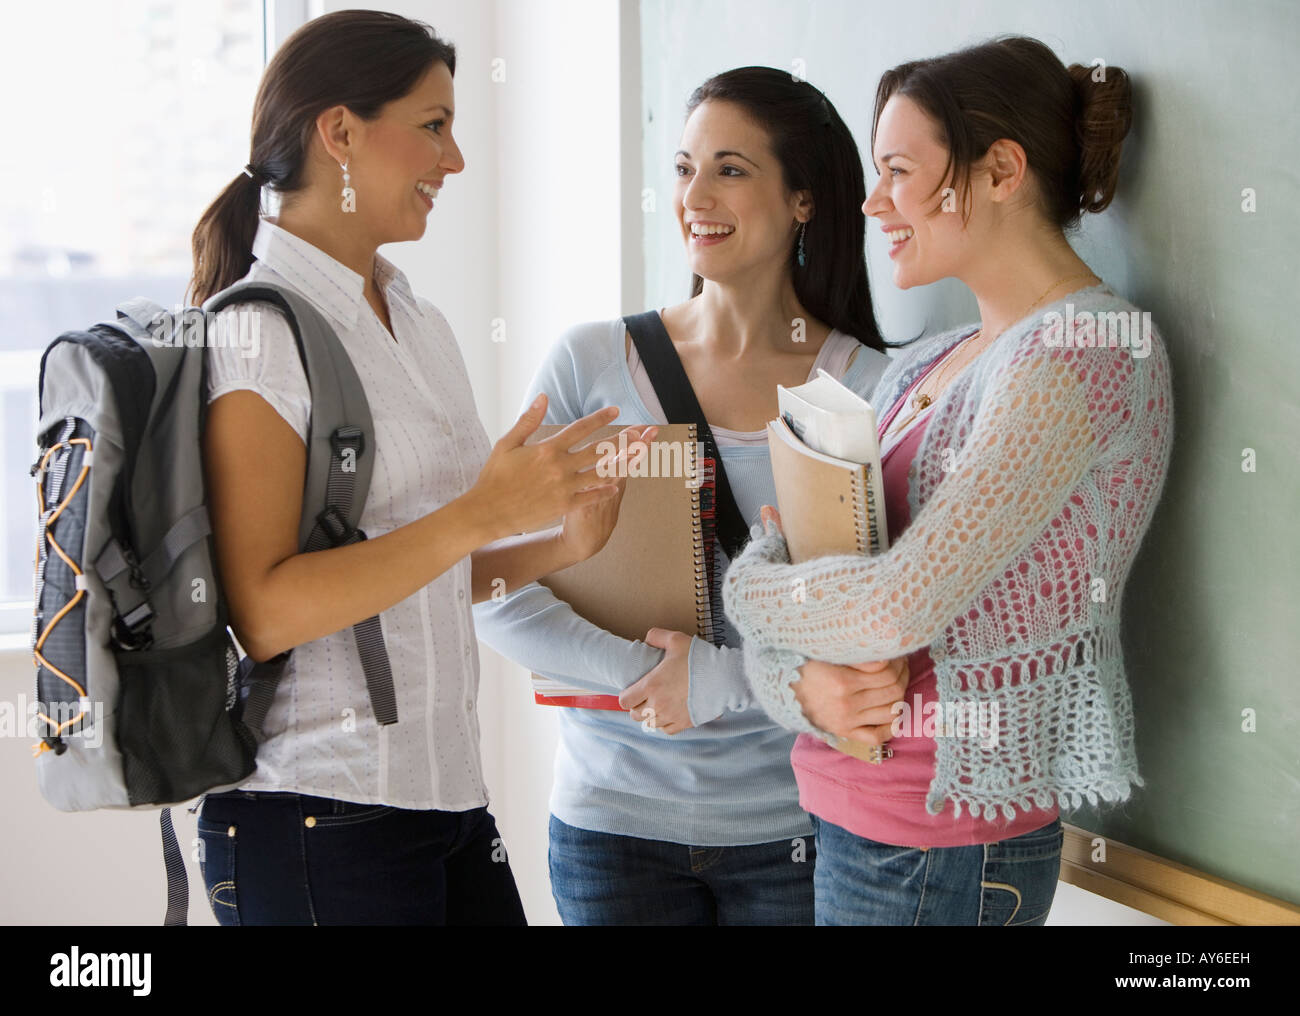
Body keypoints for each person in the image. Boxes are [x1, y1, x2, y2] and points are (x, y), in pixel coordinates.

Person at [191, 9, 652, 926]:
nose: (456, 161)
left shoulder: (419, 320)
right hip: (316, 811)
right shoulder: (258, 332)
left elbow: (419, 576)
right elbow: (268, 609)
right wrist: (481, 513)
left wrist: (556, 545)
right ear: (339, 132)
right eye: (434, 126)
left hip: (445, 802)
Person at [723, 36, 1174, 926]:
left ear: (1001, 169)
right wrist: (796, 687)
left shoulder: (1088, 351)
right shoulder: (931, 360)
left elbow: (893, 607)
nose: (872, 199)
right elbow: (831, 587)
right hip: (855, 819)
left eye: (897, 168)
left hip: (944, 848)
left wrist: (749, 588)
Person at [473, 67, 907, 926]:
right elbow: (488, 589)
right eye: (683, 167)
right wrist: (651, 675)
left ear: (804, 202)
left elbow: (889, 629)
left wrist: (717, 681)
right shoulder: (591, 364)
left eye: (731, 169)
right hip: (611, 828)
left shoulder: (873, 390)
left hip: (796, 830)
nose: (694, 196)